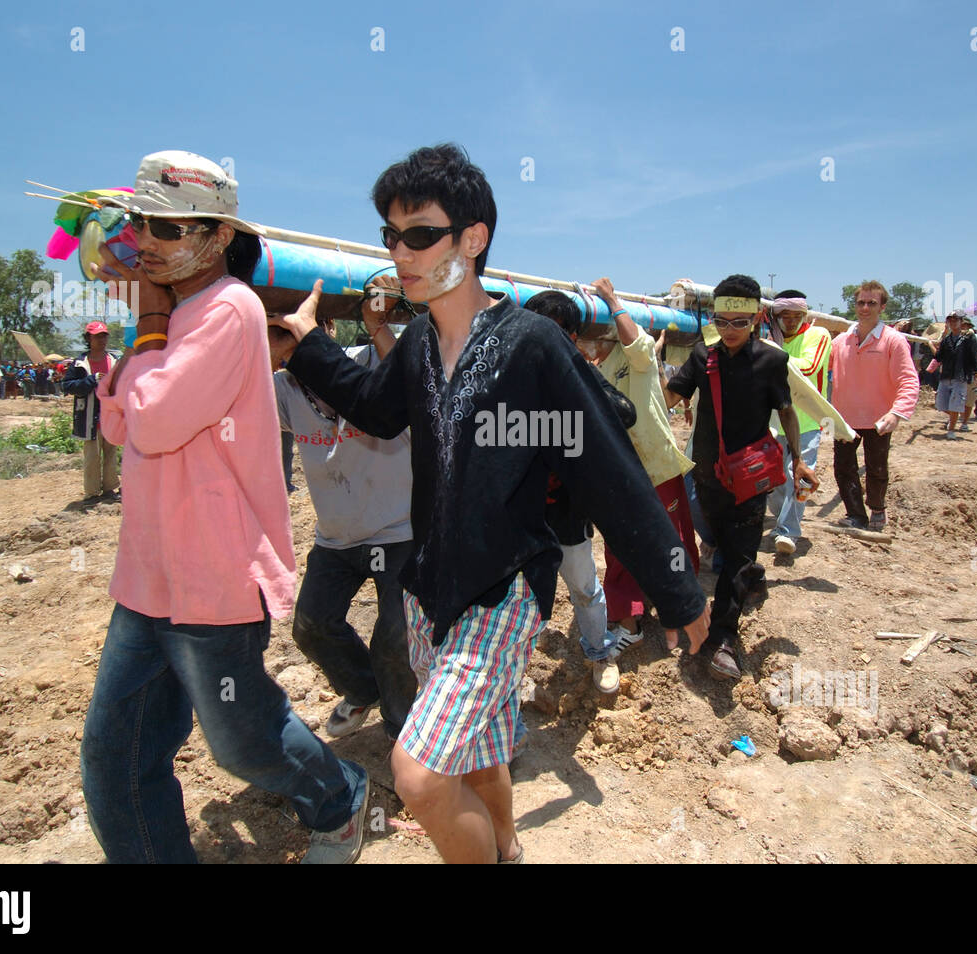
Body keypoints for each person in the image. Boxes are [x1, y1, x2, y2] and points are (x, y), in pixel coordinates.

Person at [277, 143, 709, 863]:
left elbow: (607, 472)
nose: (400, 252)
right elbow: (376, 412)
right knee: (475, 754)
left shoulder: (531, 344)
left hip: (503, 593)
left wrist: (678, 590)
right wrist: (309, 347)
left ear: (472, 239)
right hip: (426, 591)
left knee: (417, 774)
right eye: (391, 236)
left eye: (420, 234)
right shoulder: (417, 343)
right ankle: (505, 847)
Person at [80, 150, 369, 864]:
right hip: (146, 579)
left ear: (215, 237)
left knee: (243, 742)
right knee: (114, 756)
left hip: (211, 578)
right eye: (143, 222)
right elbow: (119, 426)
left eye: (169, 229)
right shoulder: (173, 318)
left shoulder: (229, 310)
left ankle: (341, 798)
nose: (146, 240)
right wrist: (146, 330)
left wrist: (148, 322)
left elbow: (151, 421)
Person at [265, 294, 418, 742]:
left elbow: (417, 380)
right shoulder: (282, 388)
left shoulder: (366, 359)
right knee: (312, 626)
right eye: (276, 332)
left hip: (400, 532)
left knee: (394, 640)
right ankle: (362, 688)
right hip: (337, 538)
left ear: (324, 326)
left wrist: (376, 325)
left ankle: (401, 731)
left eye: (291, 329)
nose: (285, 342)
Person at [665, 275, 818, 680]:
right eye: (722, 321)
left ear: (755, 319)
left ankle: (724, 641)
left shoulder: (771, 361)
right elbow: (668, 396)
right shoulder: (702, 357)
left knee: (735, 555)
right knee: (721, 541)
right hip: (708, 474)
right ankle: (753, 576)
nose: (729, 330)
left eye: (739, 322)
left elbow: (785, 409)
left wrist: (798, 460)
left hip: (751, 477)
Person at [523, 289, 638, 692]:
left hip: (567, 515)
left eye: (553, 336)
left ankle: (598, 652)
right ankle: (509, 675)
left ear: (570, 340)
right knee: (518, 603)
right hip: (518, 518)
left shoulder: (580, 377)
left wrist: (574, 373)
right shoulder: (507, 380)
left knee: (585, 590)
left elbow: (625, 413)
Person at [584, 276, 700, 655]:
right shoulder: (593, 371)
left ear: (603, 333)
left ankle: (681, 606)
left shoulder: (638, 354)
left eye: (584, 337)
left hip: (657, 465)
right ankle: (630, 621)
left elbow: (636, 340)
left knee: (671, 541)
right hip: (621, 475)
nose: (580, 345)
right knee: (619, 548)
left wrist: (611, 299)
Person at [828, 280, 919, 531]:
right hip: (845, 418)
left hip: (879, 418)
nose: (865, 308)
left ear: (883, 307)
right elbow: (818, 367)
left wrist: (897, 412)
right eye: (860, 302)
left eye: (871, 303)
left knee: (877, 467)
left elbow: (908, 380)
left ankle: (877, 508)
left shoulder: (894, 341)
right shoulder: (840, 342)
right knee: (843, 468)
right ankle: (855, 514)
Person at [764, 290, 830, 555]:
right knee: (775, 480)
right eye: (785, 316)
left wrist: (768, 355)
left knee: (799, 477)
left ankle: (788, 531)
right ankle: (785, 518)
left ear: (805, 315)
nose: (790, 322)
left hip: (807, 422)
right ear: (776, 317)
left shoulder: (818, 335)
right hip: (774, 422)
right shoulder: (772, 340)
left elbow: (809, 366)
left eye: (796, 316)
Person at [62, 321, 121, 500]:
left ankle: (110, 488)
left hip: (110, 414)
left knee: (111, 453)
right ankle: (92, 492)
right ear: (89, 338)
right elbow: (67, 386)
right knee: (92, 455)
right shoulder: (80, 364)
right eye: (97, 336)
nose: (101, 340)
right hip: (88, 415)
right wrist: (90, 381)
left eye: (104, 336)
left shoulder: (114, 361)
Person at [931, 312, 977, 440]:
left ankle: (951, 430)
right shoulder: (947, 340)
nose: (953, 323)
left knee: (955, 403)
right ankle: (958, 417)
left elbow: (975, 355)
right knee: (941, 404)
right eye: (951, 320)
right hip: (946, 375)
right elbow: (939, 357)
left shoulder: (968, 338)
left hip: (961, 375)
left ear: (960, 322)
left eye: (956, 320)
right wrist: (932, 345)